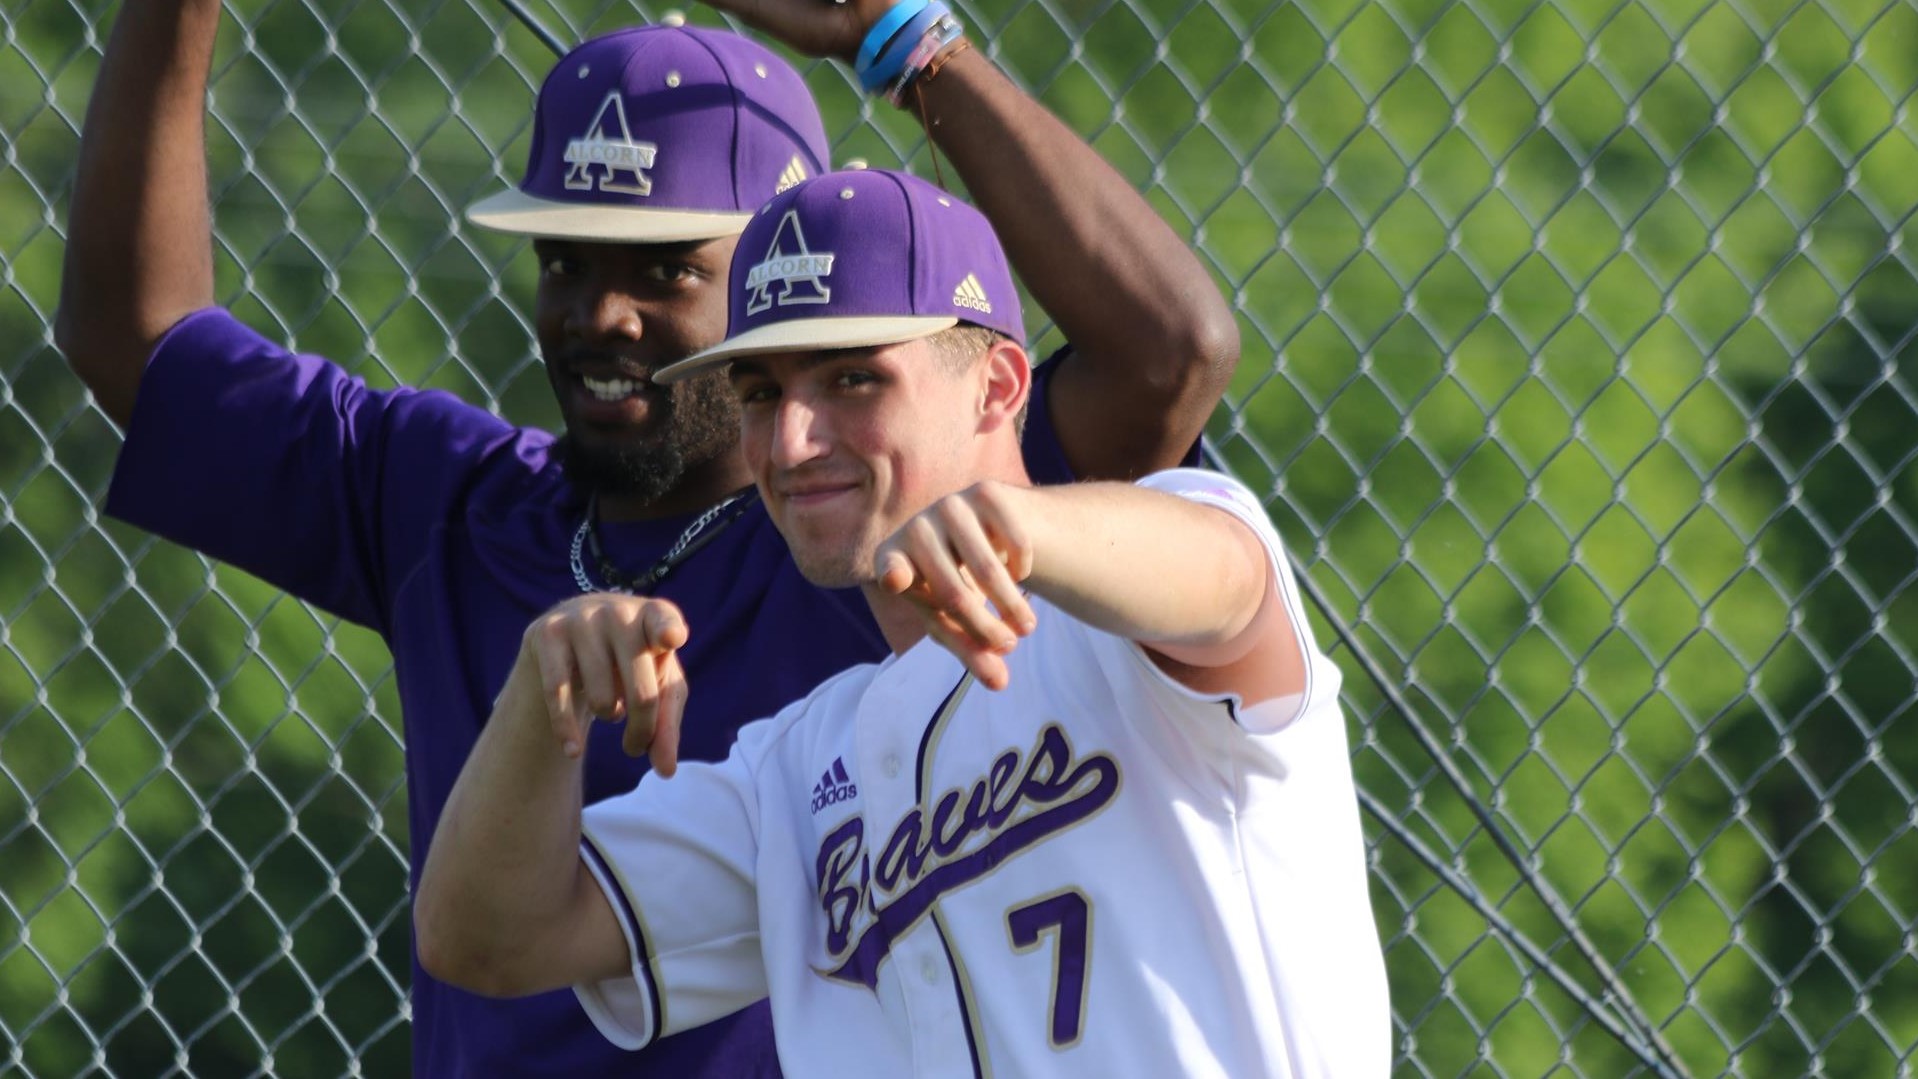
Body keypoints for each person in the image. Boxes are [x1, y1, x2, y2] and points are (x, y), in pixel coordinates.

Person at [55, 0, 1238, 1073]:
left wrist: (904, 40)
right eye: (563, 260)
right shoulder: (452, 501)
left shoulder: (865, 521)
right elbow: (140, 341)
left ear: (788, 282)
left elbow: (1170, 354)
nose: (598, 312)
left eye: (665, 267)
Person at [415, 169, 1390, 1076]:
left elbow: (1227, 579)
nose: (791, 441)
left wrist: (1026, 523)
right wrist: (538, 703)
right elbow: (488, 938)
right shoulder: (793, 772)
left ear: (999, 387)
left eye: (851, 378)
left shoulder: (1133, 638)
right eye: (761, 392)